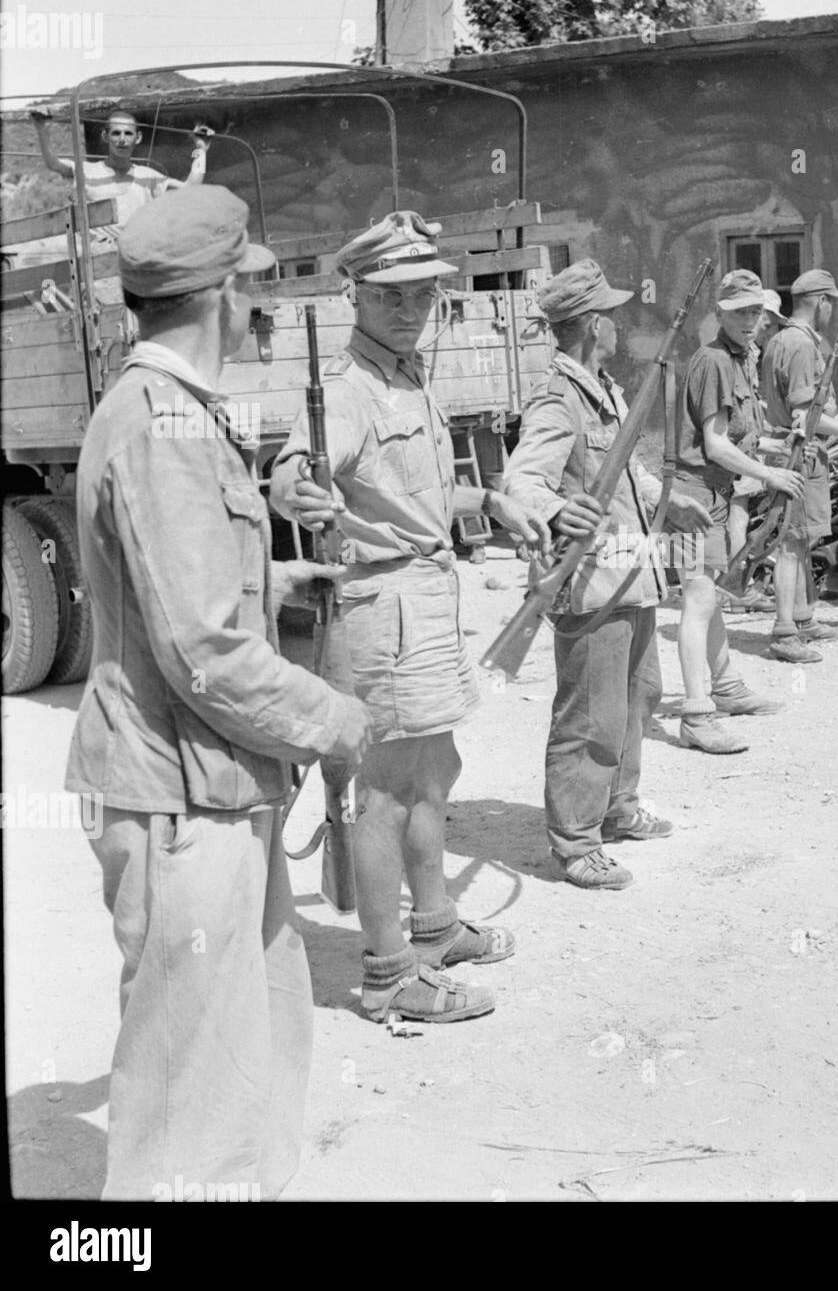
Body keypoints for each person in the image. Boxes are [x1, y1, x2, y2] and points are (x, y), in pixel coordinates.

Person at [64, 186, 373, 1201]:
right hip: (176, 799)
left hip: (207, 786)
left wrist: (275, 577)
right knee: (182, 1103)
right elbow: (202, 649)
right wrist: (334, 721)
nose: (259, 307)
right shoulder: (163, 425)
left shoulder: (168, 412)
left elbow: (177, 599)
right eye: (253, 283)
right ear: (224, 293)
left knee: (236, 1059)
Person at [270, 212, 550, 1026]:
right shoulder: (351, 392)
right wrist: (301, 491)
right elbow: (294, 474)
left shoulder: (409, 375)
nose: (412, 304)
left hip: (426, 592)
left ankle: (434, 927)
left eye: (424, 290)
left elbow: (418, 501)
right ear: (356, 293)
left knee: (435, 772)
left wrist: (493, 497)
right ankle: (392, 973)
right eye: (393, 293)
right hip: (383, 604)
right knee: (386, 792)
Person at [501, 259, 712, 889]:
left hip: (630, 573)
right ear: (593, 325)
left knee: (638, 696)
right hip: (590, 581)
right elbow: (521, 483)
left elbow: (618, 467)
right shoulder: (557, 397)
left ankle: (617, 809)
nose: (620, 325)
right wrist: (561, 511)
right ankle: (575, 840)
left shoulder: (605, 389)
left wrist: (663, 495)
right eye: (612, 316)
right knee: (592, 713)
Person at [672, 268, 805, 754]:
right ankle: (695, 712)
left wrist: (778, 444)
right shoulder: (713, 363)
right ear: (720, 315)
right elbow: (714, 443)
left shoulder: (740, 359)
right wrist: (769, 474)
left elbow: (742, 437)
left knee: (707, 600)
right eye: (740, 312)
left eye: (756, 312)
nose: (751, 321)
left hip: (715, 491)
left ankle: (725, 686)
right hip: (693, 496)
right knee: (698, 600)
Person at [760, 269, 838, 662]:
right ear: (820, 302)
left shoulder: (783, 340)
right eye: (831, 301)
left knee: (798, 539)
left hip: (794, 451)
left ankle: (802, 617)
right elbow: (803, 415)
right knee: (790, 544)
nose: (832, 309)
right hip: (799, 453)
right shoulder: (801, 346)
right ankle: (784, 631)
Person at [30, 106, 208, 236]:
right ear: (105, 136)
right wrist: (42, 130)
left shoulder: (148, 177)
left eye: (128, 134)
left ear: (137, 138)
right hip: (98, 268)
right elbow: (52, 163)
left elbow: (190, 188)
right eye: (116, 133)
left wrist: (200, 150)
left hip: (134, 262)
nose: (122, 140)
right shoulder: (86, 171)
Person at [722, 288, 783, 611]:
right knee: (737, 515)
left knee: (739, 514)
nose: (765, 328)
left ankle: (735, 585)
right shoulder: (734, 355)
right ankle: (734, 587)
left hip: (749, 443)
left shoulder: (751, 354)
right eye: (765, 322)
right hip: (735, 447)